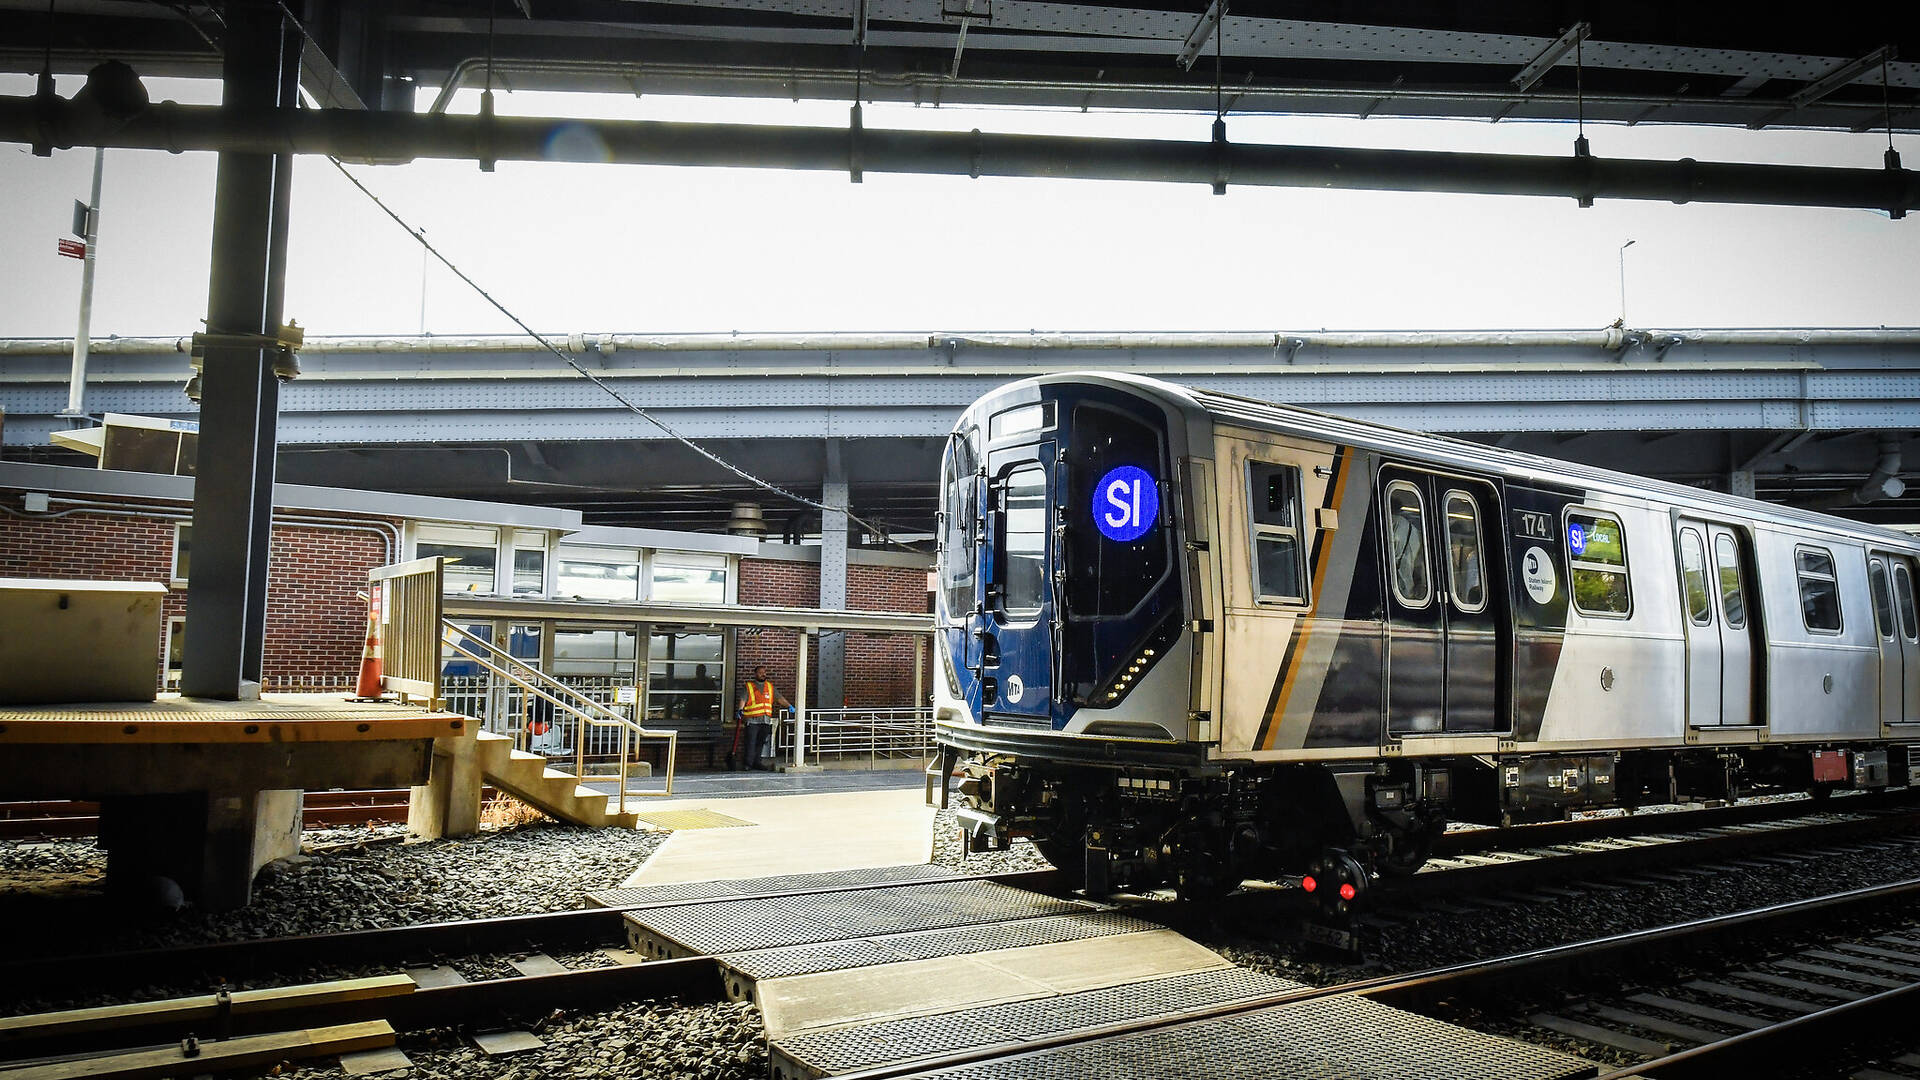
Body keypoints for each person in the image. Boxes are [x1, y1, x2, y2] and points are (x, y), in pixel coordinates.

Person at [738, 665, 791, 771]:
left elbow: (779, 698)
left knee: (760, 743)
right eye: (760, 672)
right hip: (752, 720)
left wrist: (789, 706)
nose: (763, 674)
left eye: (764, 672)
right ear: (755, 674)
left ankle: (757, 762)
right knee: (751, 742)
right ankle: (748, 764)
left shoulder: (770, 687)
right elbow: (743, 699)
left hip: (765, 720)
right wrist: (740, 709)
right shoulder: (749, 686)